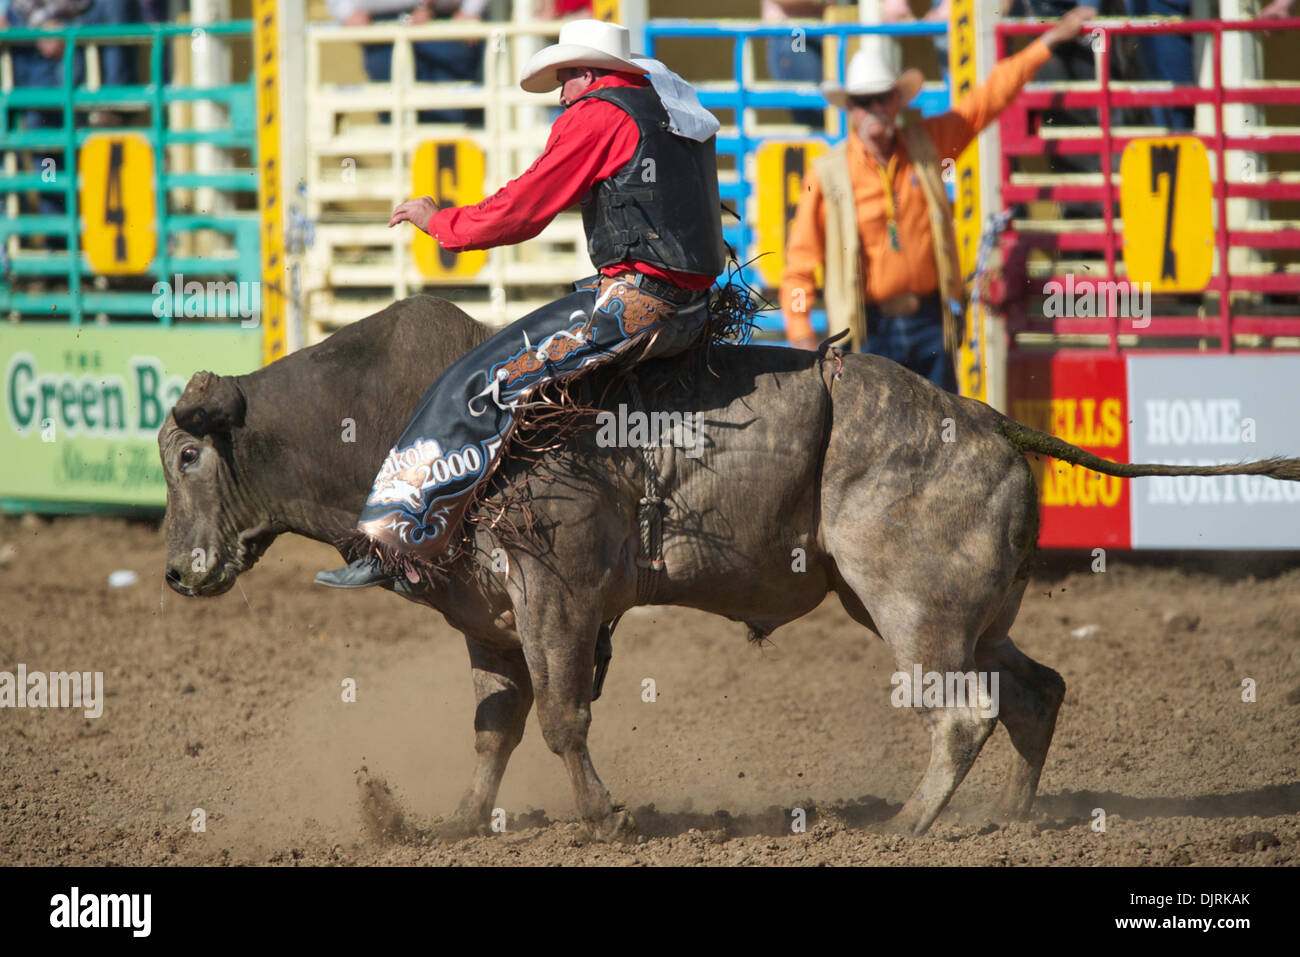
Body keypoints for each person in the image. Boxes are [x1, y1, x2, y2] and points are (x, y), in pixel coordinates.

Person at [316, 19, 727, 588]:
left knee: (473, 380)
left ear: (587, 73)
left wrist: (440, 221)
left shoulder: (600, 113)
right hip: (694, 307)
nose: (560, 95)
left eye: (564, 80)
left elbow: (522, 209)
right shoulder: (671, 111)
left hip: (638, 304)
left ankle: (399, 543)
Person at [780, 6, 1096, 391]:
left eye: (882, 97)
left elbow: (988, 100)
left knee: (941, 437)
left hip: (930, 320)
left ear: (897, 101)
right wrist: (799, 334)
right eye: (864, 101)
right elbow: (798, 267)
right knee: (875, 444)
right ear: (851, 109)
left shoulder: (926, 145)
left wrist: (1048, 41)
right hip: (866, 329)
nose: (875, 109)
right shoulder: (827, 174)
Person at [327, 0, 487, 125]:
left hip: (447, 22)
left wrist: (471, 10)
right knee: (394, 117)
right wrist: (345, 10)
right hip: (377, 25)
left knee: (451, 113)